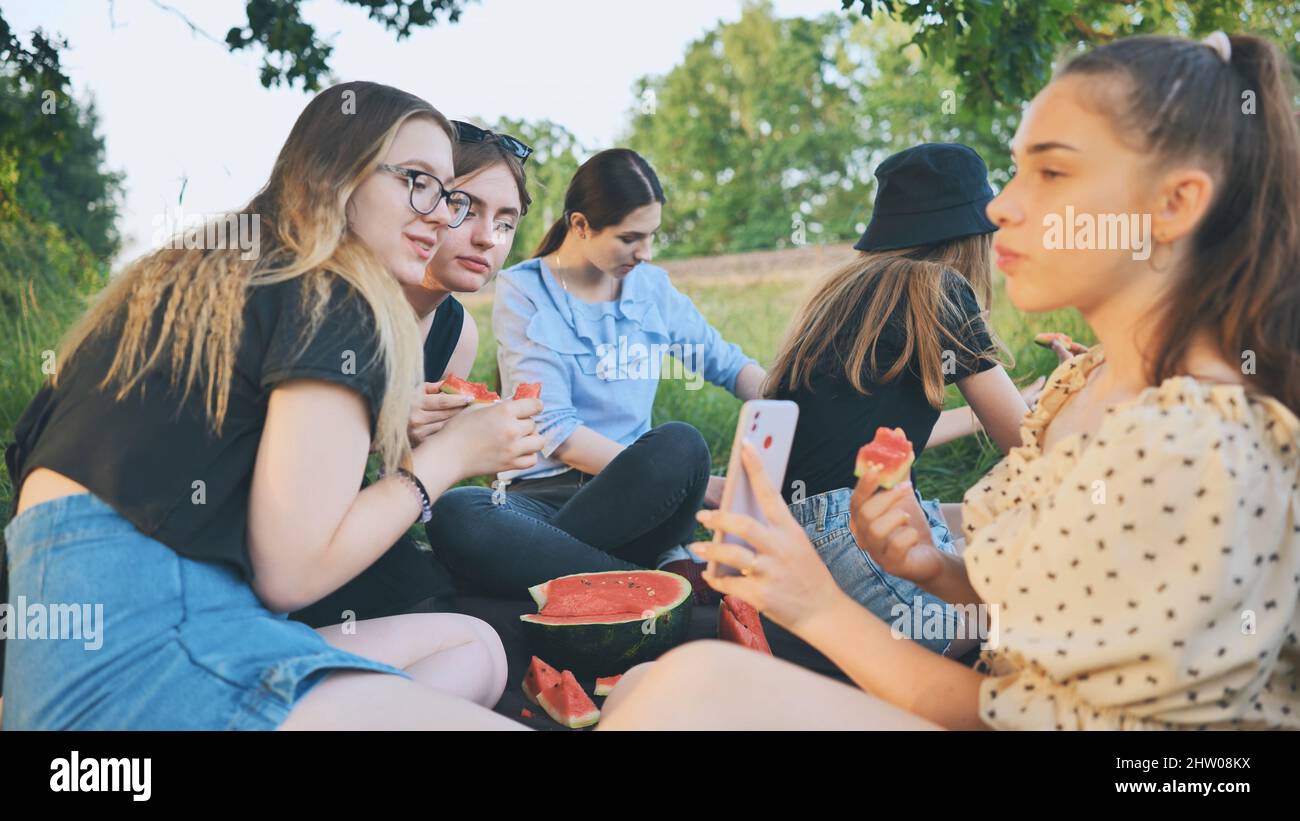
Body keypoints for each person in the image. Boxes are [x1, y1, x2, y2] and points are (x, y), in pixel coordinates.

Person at [599, 32, 1300, 731]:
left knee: (668, 684)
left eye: (1050, 173)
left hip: (814, 532)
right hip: (853, 537)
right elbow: (1015, 444)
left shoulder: (1192, 442)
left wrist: (833, 602)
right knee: (655, 683)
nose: (1000, 210)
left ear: (1174, 204)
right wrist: (935, 567)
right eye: (1015, 175)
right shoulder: (964, 305)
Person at [1, 81, 542, 729]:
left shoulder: (201, 278)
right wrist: (451, 457)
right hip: (155, 663)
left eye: (447, 194)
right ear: (336, 171)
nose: (441, 214)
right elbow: (290, 574)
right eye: (417, 181)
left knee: (474, 645)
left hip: (53, 676)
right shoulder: (336, 292)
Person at [427, 148, 766, 602]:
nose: (644, 253)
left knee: (681, 444)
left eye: (650, 237)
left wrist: (794, 399)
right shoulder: (524, 290)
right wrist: (704, 488)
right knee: (459, 513)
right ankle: (654, 584)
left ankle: (555, 575)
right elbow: (556, 431)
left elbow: (727, 364)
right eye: (630, 238)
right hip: (545, 499)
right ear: (581, 226)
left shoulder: (652, 289)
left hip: (642, 499)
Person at [766, 143, 1057, 656]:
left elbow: (875, 435)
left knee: (979, 526)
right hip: (851, 531)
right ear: (971, 236)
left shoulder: (842, 289)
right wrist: (1076, 388)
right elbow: (1027, 442)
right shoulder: (938, 287)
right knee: (1024, 609)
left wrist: (993, 410)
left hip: (800, 526)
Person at [289, 120, 535, 628]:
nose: (488, 238)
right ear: (426, 203)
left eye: (506, 223)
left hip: (364, 520)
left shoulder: (458, 331)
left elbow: (397, 480)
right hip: (296, 536)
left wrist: (435, 445)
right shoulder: (344, 307)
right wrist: (389, 430)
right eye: (464, 207)